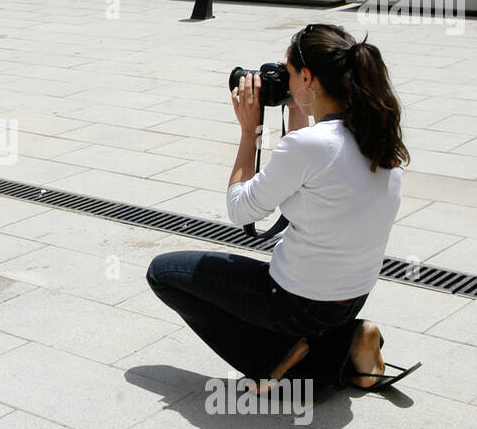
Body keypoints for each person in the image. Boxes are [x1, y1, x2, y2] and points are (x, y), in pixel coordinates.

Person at [146, 23, 416, 392]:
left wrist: (248, 131)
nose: (285, 83)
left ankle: (280, 361)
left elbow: (242, 210)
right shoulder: (376, 133)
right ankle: (353, 337)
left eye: (289, 75)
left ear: (307, 77)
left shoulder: (309, 146)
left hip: (297, 301)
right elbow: (315, 169)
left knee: (163, 273)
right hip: (351, 297)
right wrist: (296, 107)